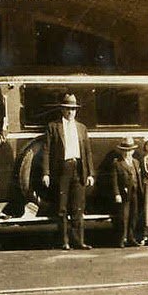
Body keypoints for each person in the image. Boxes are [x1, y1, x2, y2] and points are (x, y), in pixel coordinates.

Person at [41, 93, 95, 251]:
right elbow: (46, 151)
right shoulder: (53, 127)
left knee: (78, 207)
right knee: (62, 208)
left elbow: (87, 152)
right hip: (61, 170)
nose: (70, 112)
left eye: (73, 109)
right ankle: (64, 241)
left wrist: (90, 173)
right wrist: (46, 173)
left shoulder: (82, 128)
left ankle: (79, 241)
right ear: (62, 110)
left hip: (79, 168)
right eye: (67, 109)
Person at [111, 136, 142, 248]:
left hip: (135, 192)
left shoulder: (136, 162)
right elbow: (114, 180)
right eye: (125, 151)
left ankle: (131, 237)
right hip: (124, 193)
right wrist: (117, 194)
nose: (127, 153)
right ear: (121, 151)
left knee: (134, 215)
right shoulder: (117, 163)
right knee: (123, 217)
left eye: (129, 151)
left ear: (133, 151)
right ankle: (122, 239)